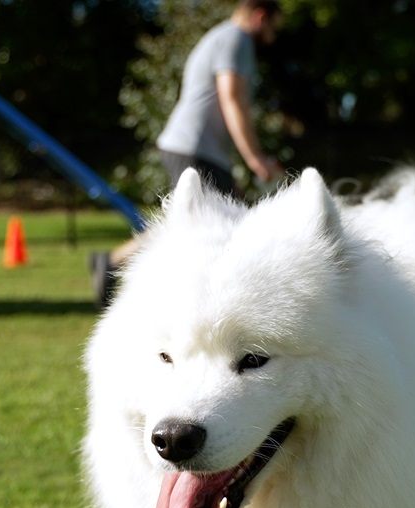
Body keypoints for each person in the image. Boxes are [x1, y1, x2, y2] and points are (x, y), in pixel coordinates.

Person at [90, 0, 285, 306]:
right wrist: (254, 158)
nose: (273, 36)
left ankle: (112, 263)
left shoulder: (223, 37)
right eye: (274, 28)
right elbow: (232, 99)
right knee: (204, 225)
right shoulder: (237, 39)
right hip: (193, 147)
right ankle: (181, 295)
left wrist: (232, 168)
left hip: (198, 148)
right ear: (261, 16)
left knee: (211, 221)